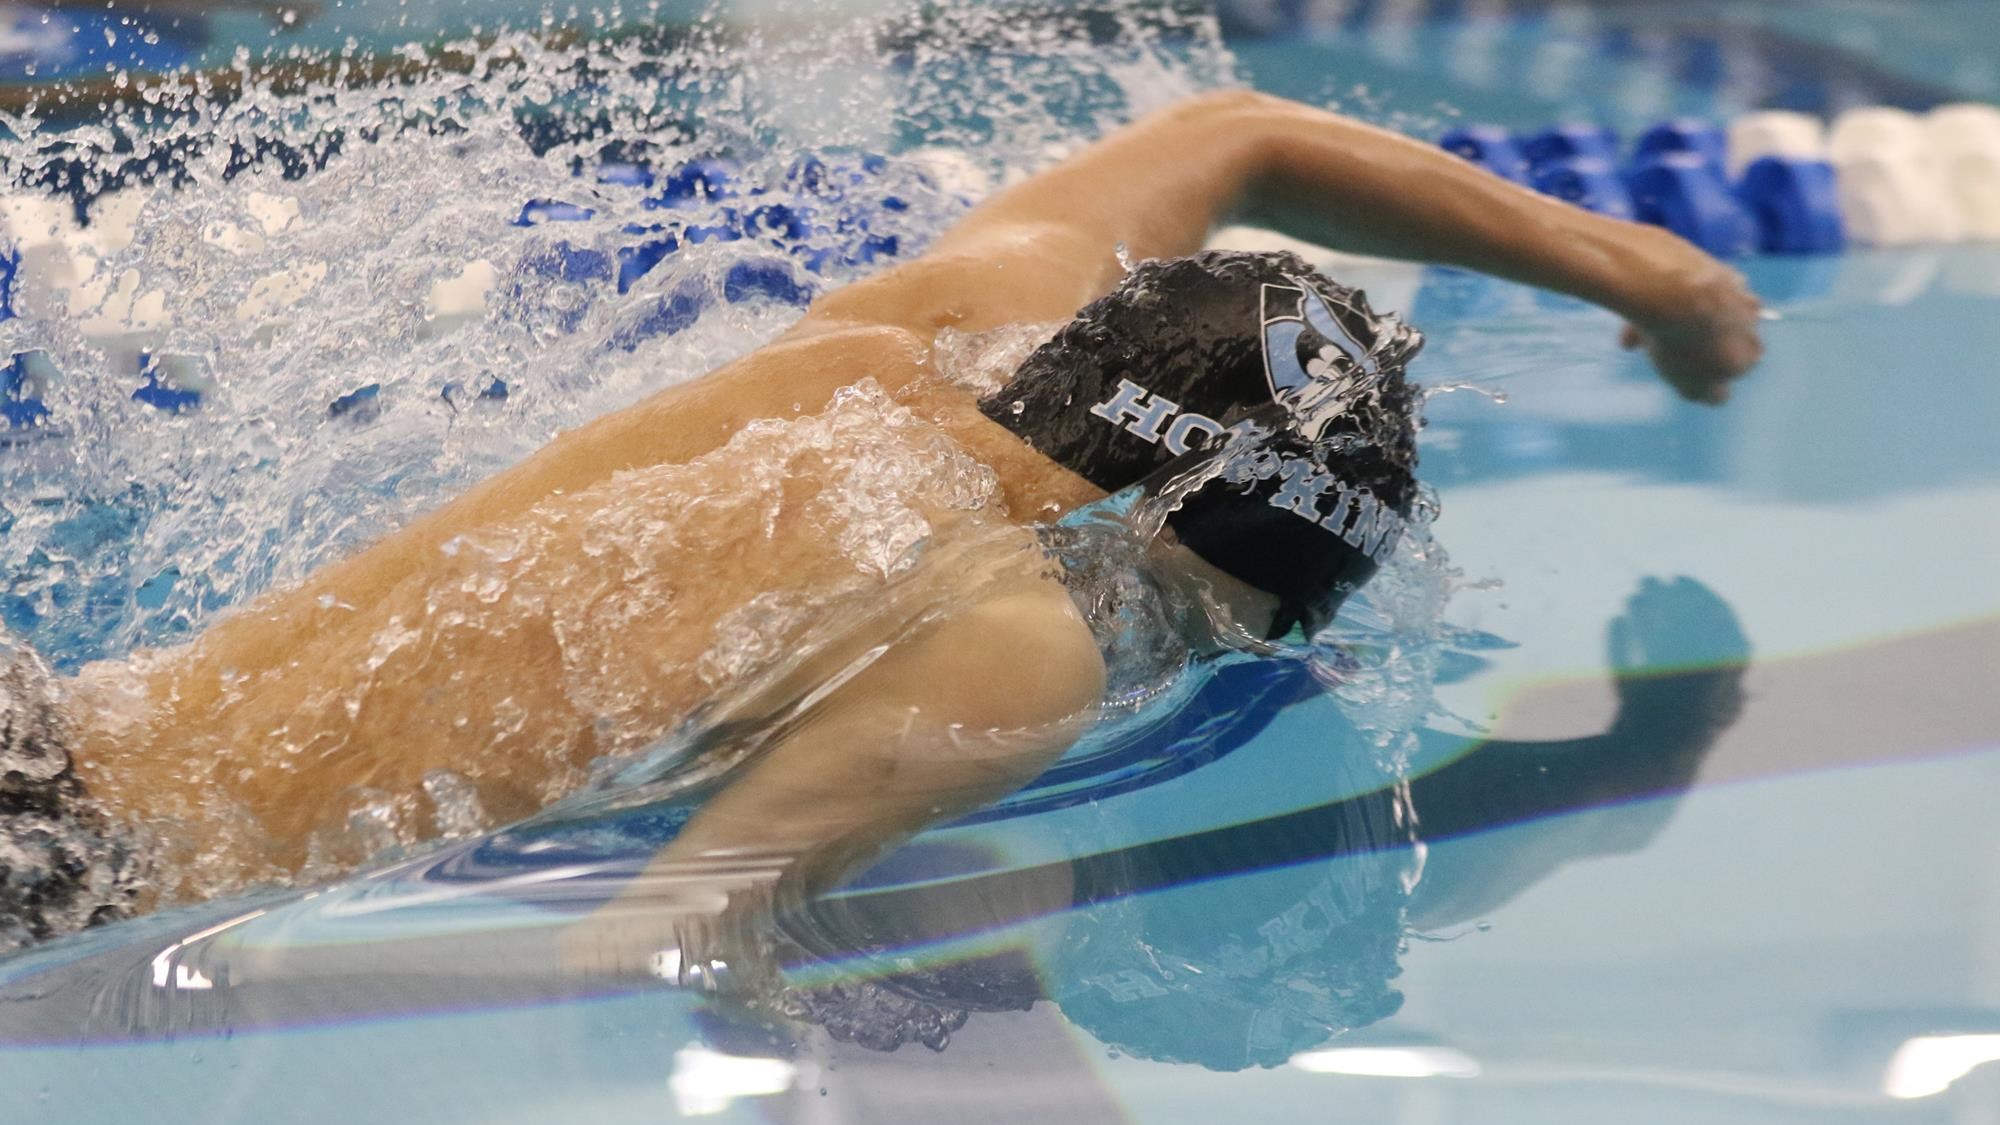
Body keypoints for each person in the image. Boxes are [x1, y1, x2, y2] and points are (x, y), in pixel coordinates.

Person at [0, 90, 1761, 948]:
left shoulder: (932, 332)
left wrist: (1659, 272)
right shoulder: (1021, 644)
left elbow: (1234, 133)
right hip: (87, 886)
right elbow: (653, 942)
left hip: (55, 720)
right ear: (1209, 564)